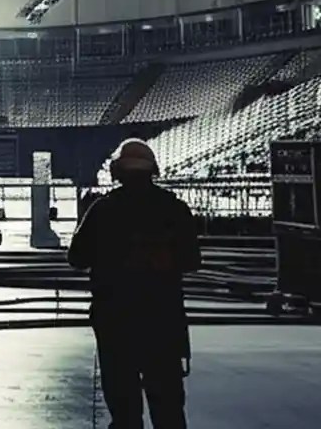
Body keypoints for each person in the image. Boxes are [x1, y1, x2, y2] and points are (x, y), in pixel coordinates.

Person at [68, 139, 202, 429]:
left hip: (116, 321)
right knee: (168, 410)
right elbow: (192, 259)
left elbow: (76, 257)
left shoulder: (103, 210)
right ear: (152, 170)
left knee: (124, 410)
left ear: (117, 172)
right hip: (162, 320)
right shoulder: (174, 209)